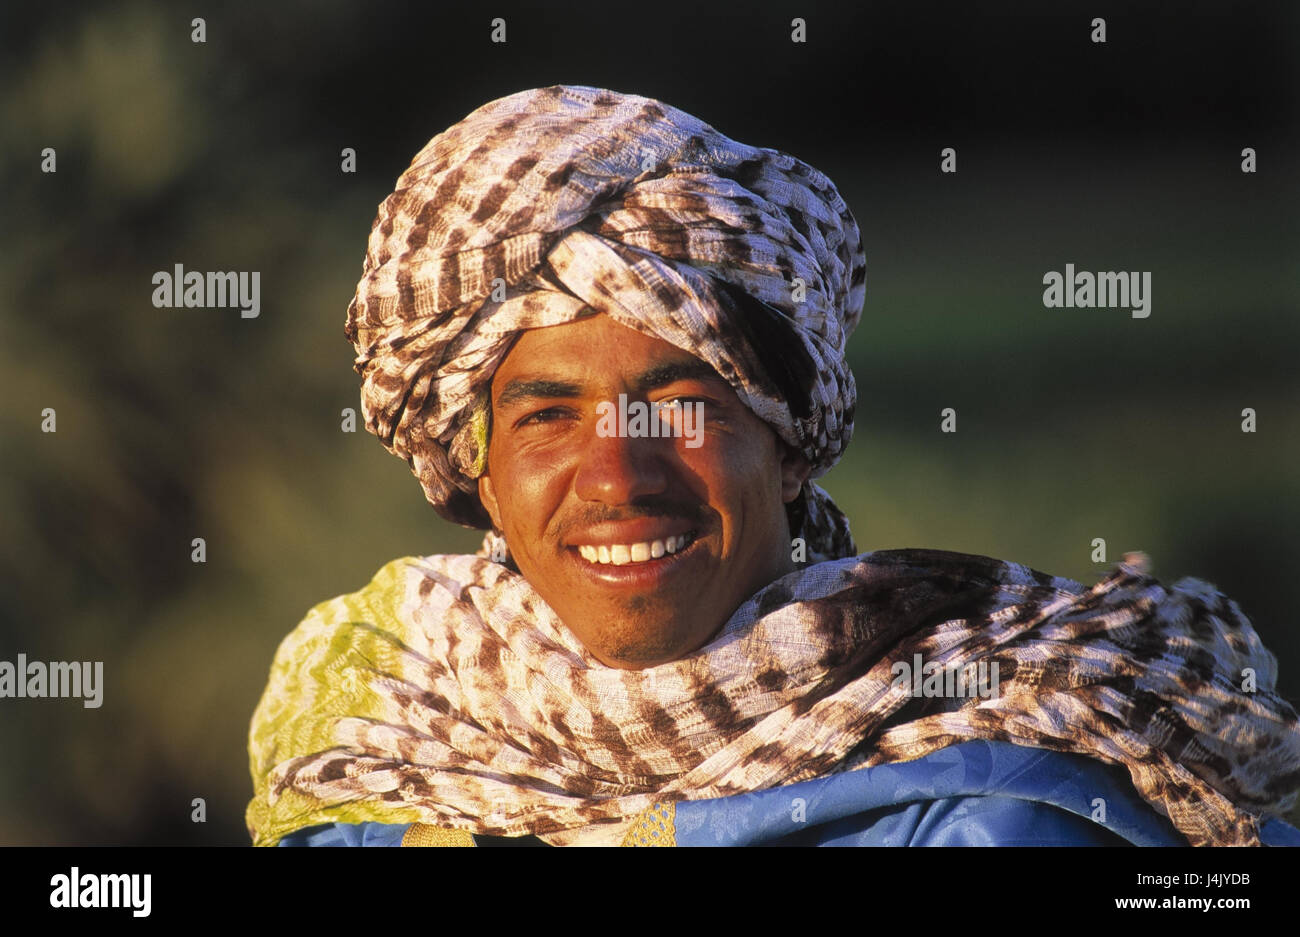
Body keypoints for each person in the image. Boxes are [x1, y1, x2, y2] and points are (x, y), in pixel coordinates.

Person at [246, 85, 1300, 847]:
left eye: (682, 402)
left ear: (789, 447)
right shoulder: (376, 725)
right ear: (472, 466)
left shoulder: (993, 794)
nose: (617, 477)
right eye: (547, 416)